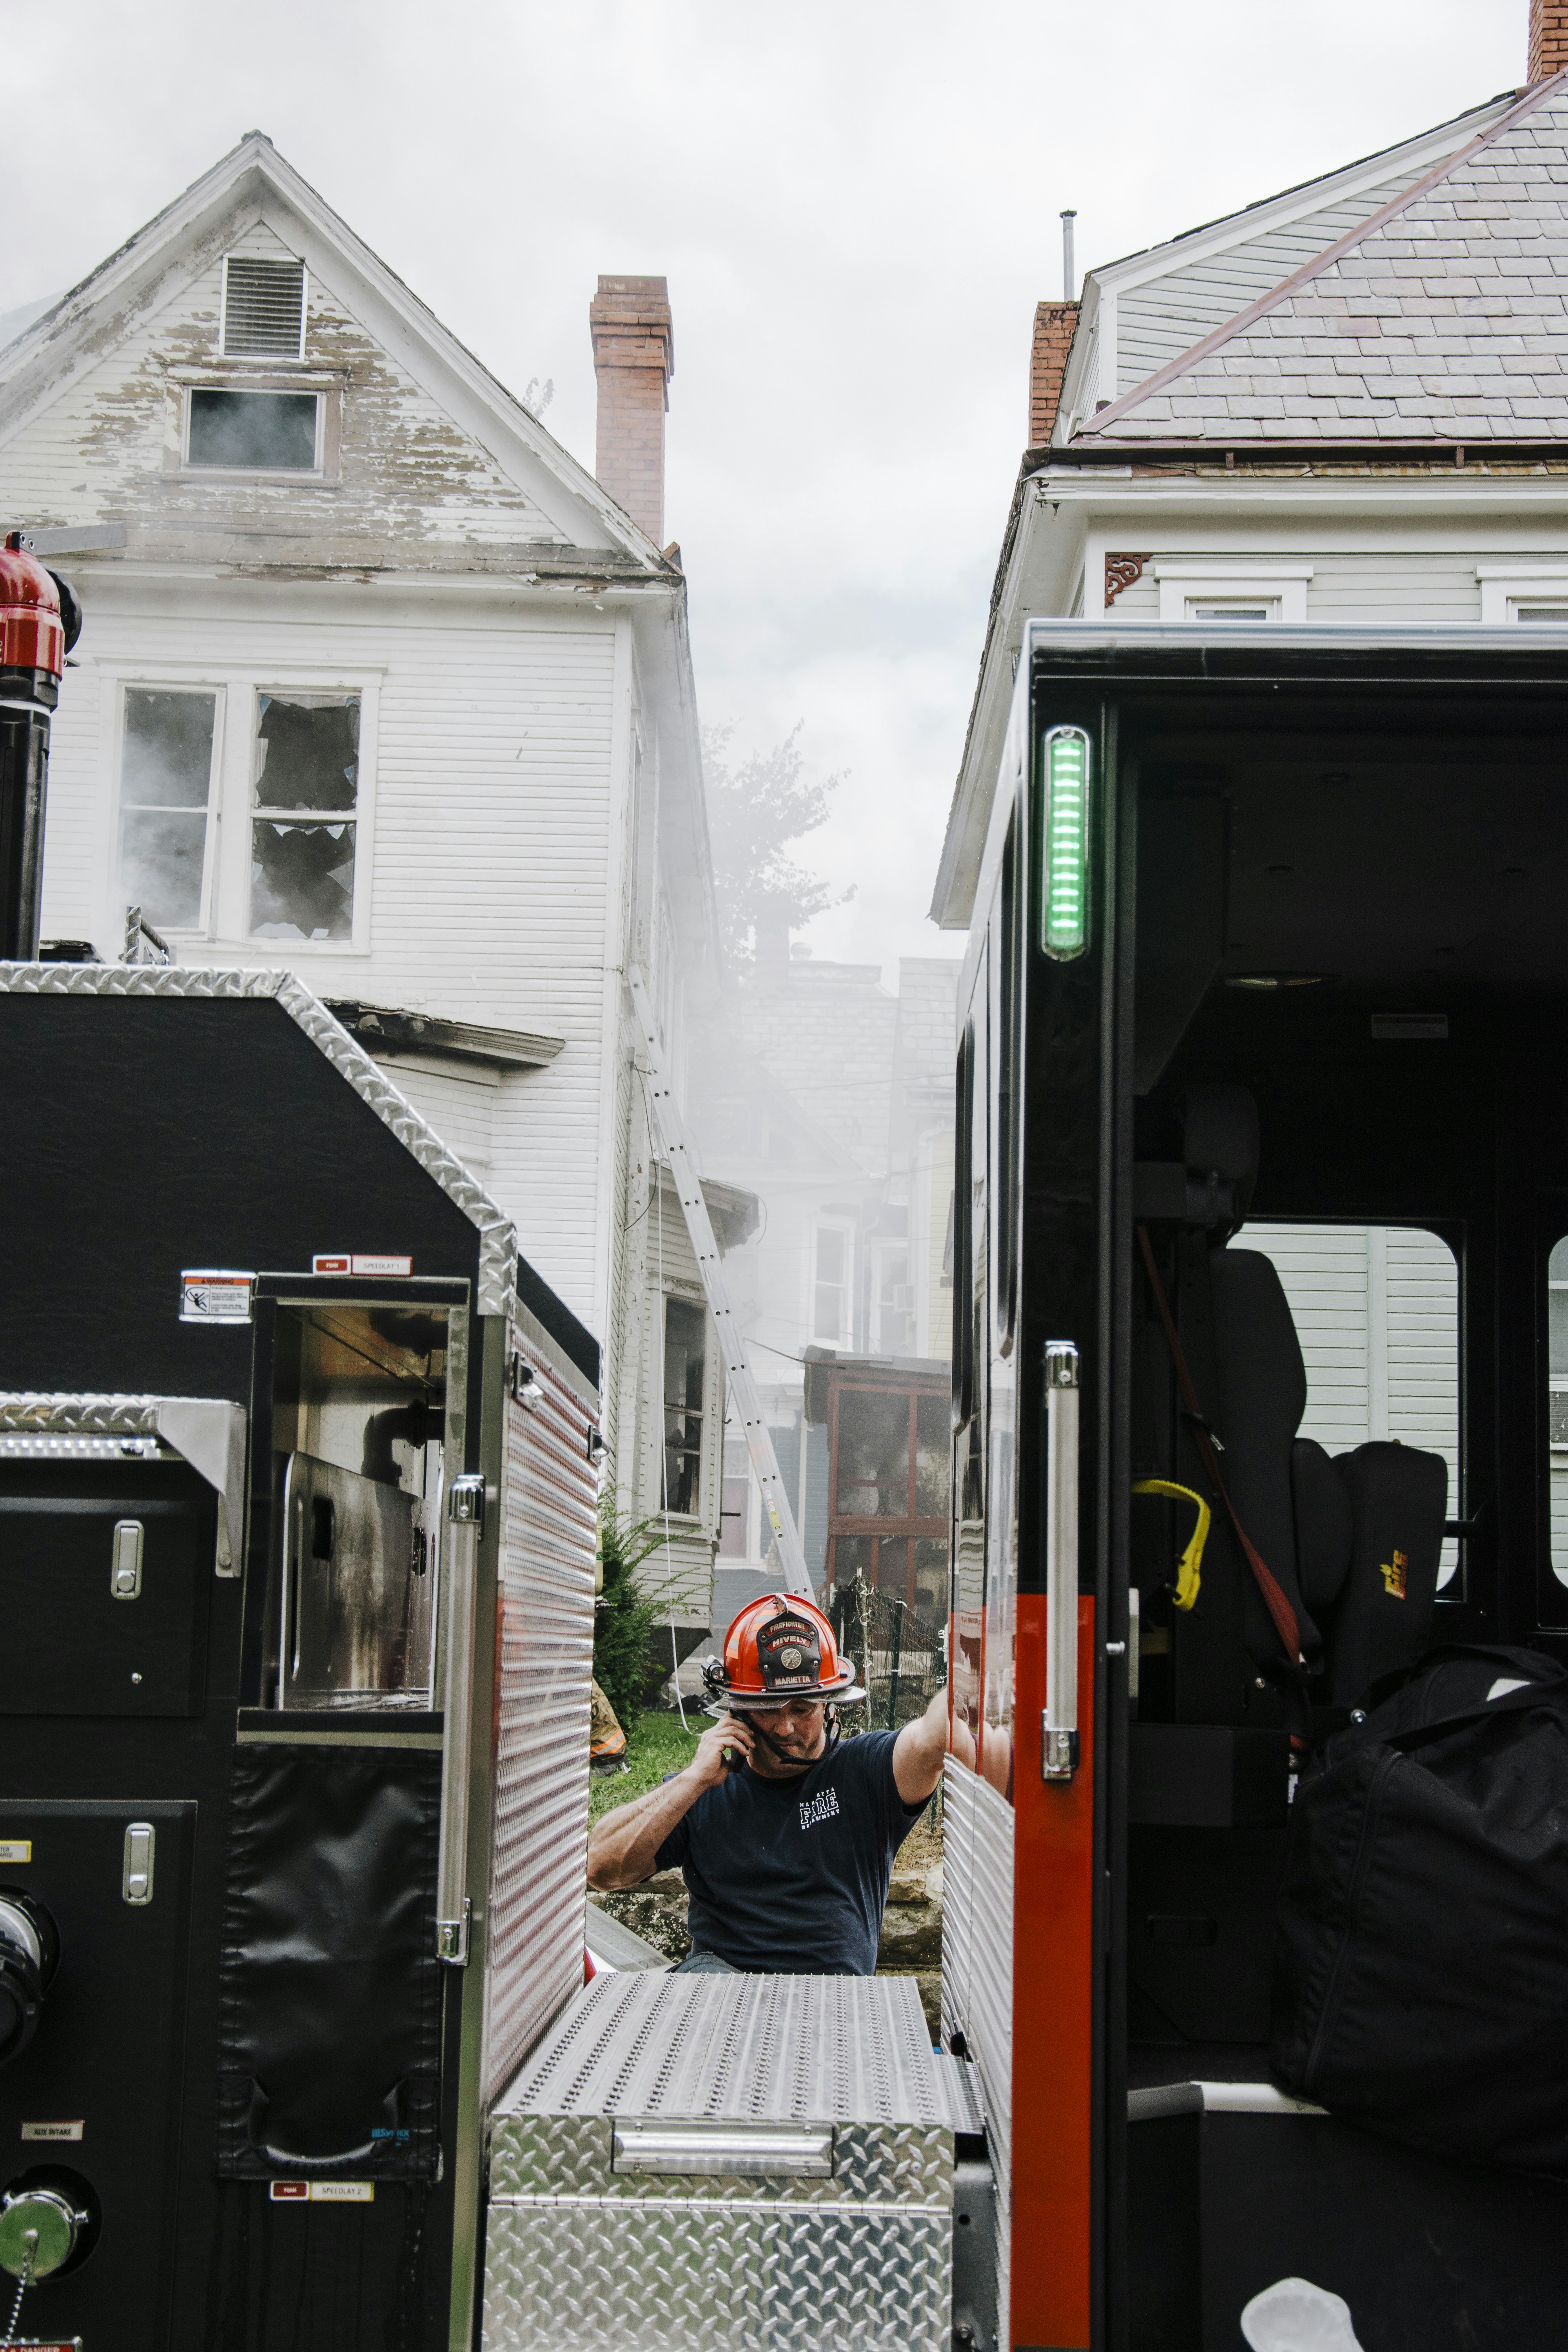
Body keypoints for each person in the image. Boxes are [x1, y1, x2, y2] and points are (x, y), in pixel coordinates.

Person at [586, 1591, 964, 1976]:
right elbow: (601, 1869)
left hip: (831, 2006)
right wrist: (692, 1780)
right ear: (737, 1711)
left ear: (829, 1707)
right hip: (717, 1997)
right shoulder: (700, 1791)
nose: (785, 1728)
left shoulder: (865, 1771)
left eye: (802, 1710)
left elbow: (928, 1740)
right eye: (767, 1711)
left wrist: (972, 1695)